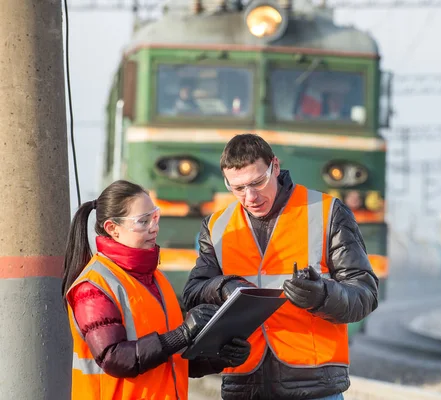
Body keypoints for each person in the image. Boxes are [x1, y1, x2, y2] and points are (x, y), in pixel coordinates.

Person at [183, 134, 379, 400]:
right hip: (244, 384)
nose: (250, 196)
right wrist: (224, 287)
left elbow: (365, 294)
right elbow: (193, 292)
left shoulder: (328, 211)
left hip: (314, 386)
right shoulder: (217, 226)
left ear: (275, 166)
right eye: (238, 188)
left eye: (257, 182)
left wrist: (322, 296)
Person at [61, 180, 251, 400]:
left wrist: (221, 357)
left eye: (155, 217)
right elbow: (114, 358)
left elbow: (174, 359)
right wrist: (181, 334)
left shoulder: (157, 279)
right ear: (113, 229)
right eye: (143, 221)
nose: (154, 227)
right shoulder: (92, 287)